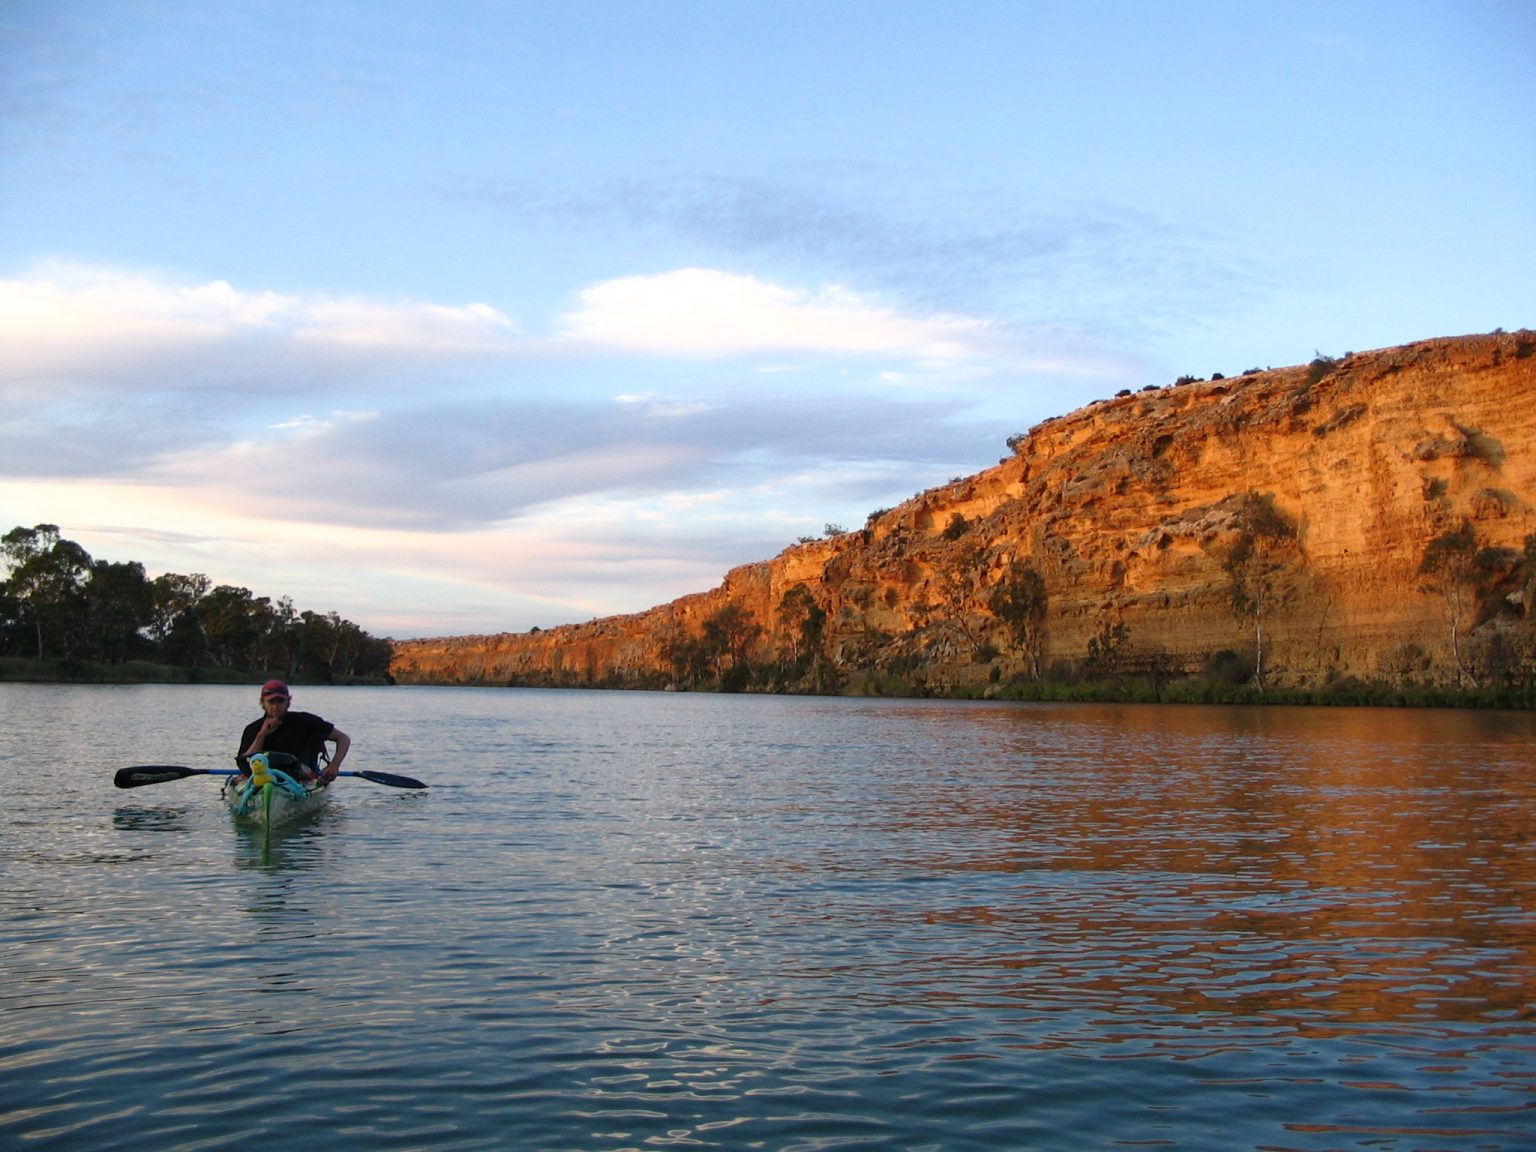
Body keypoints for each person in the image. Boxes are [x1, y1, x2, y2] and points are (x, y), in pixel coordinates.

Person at [237, 680, 351, 783]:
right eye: (271, 702)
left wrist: (334, 765)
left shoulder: (306, 722)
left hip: (303, 780)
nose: (276, 706)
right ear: (263, 703)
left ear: (288, 701)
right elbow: (245, 764)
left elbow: (343, 738)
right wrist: (262, 734)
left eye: (280, 701)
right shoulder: (252, 729)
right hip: (264, 780)